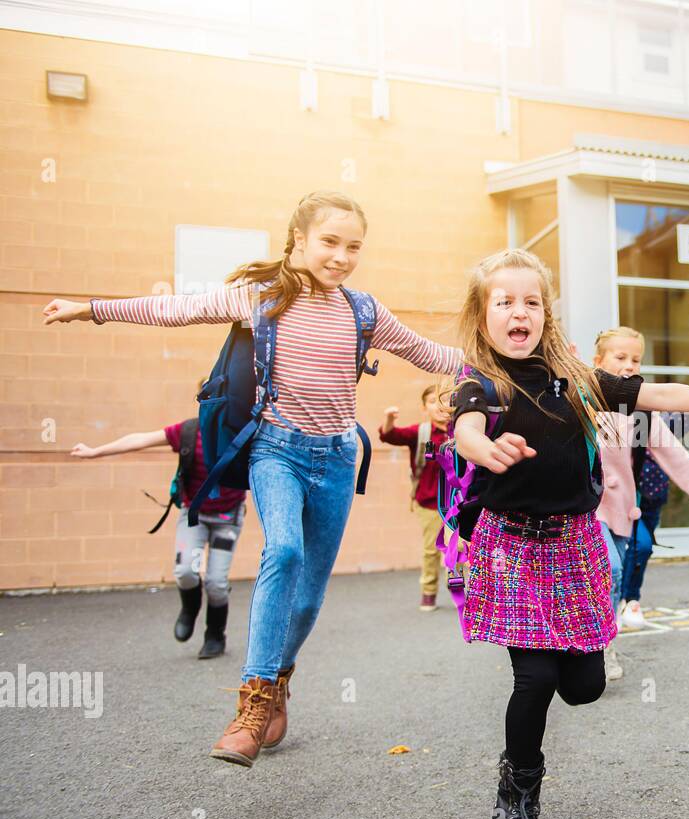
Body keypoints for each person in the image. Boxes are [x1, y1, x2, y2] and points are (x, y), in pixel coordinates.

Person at [43, 190, 464, 767]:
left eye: (354, 246)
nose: (341, 256)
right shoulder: (260, 297)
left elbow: (434, 355)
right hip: (276, 451)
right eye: (329, 242)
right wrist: (93, 308)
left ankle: (279, 679)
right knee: (283, 552)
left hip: (338, 458)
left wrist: (520, 362)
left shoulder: (364, 311)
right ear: (298, 240)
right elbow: (178, 308)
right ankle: (253, 701)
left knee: (311, 597)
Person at [447, 248, 689, 819]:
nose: (520, 313)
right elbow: (466, 428)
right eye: (504, 302)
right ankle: (518, 795)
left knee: (585, 687)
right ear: (482, 316)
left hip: (575, 545)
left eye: (531, 302)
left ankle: (566, 690)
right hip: (511, 544)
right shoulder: (480, 381)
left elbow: (655, 394)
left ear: (546, 313)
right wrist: (484, 449)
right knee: (533, 676)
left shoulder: (579, 380)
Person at [69, 391, 247, 659]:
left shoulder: (242, 433)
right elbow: (141, 439)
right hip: (194, 515)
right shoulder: (188, 431)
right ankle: (189, 609)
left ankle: (214, 636)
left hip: (227, 518)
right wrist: (96, 452)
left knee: (216, 582)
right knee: (186, 571)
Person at [591, 327, 689, 679]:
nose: (628, 365)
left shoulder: (642, 411)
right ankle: (596, 644)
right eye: (619, 358)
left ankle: (604, 639)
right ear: (598, 361)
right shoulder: (585, 399)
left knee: (620, 569)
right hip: (586, 507)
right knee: (613, 568)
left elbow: (676, 456)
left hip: (624, 507)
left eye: (635, 359)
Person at [619, 349, 689, 633]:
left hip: (653, 499)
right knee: (639, 546)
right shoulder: (624, 423)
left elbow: (686, 413)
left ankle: (630, 600)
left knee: (642, 551)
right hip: (629, 499)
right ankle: (625, 600)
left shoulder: (657, 425)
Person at [380, 380, 453, 610]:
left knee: (458, 550)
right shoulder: (421, 433)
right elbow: (390, 436)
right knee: (432, 549)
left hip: (457, 504)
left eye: (443, 401)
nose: (439, 407)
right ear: (425, 408)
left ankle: (460, 592)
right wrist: (390, 419)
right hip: (429, 501)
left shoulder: (461, 431)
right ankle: (429, 593)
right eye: (432, 402)